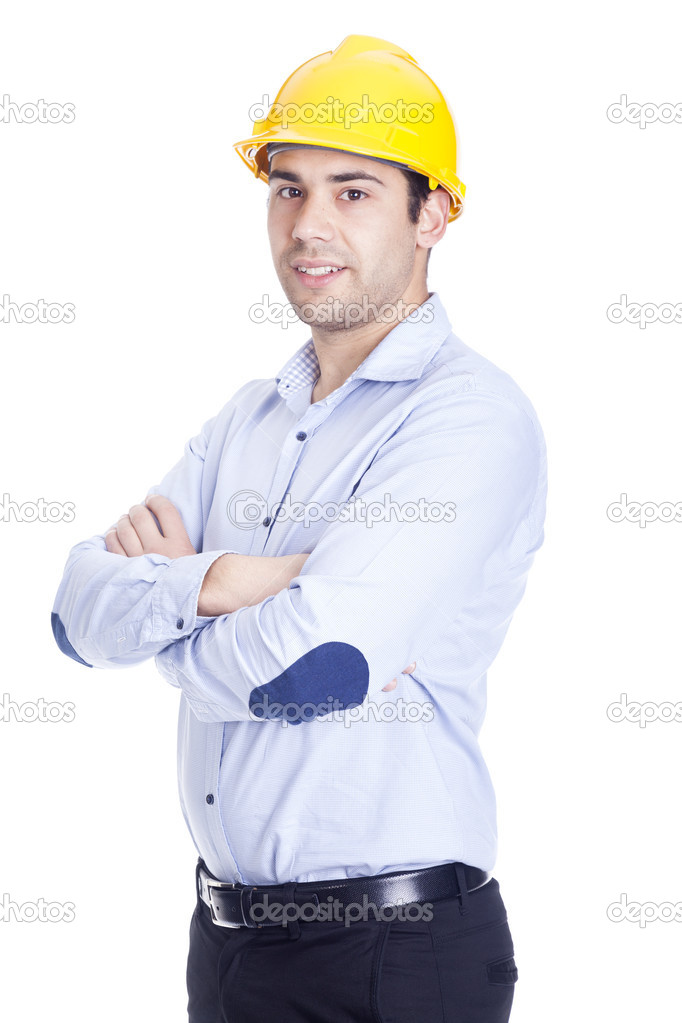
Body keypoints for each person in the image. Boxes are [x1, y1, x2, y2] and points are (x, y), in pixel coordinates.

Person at [51, 34, 547, 1023]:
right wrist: (237, 578)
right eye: (287, 188)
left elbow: (313, 666)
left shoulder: (467, 418)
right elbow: (74, 619)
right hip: (228, 949)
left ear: (434, 213)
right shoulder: (249, 416)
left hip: (390, 960)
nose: (309, 226)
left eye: (353, 191)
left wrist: (172, 612)